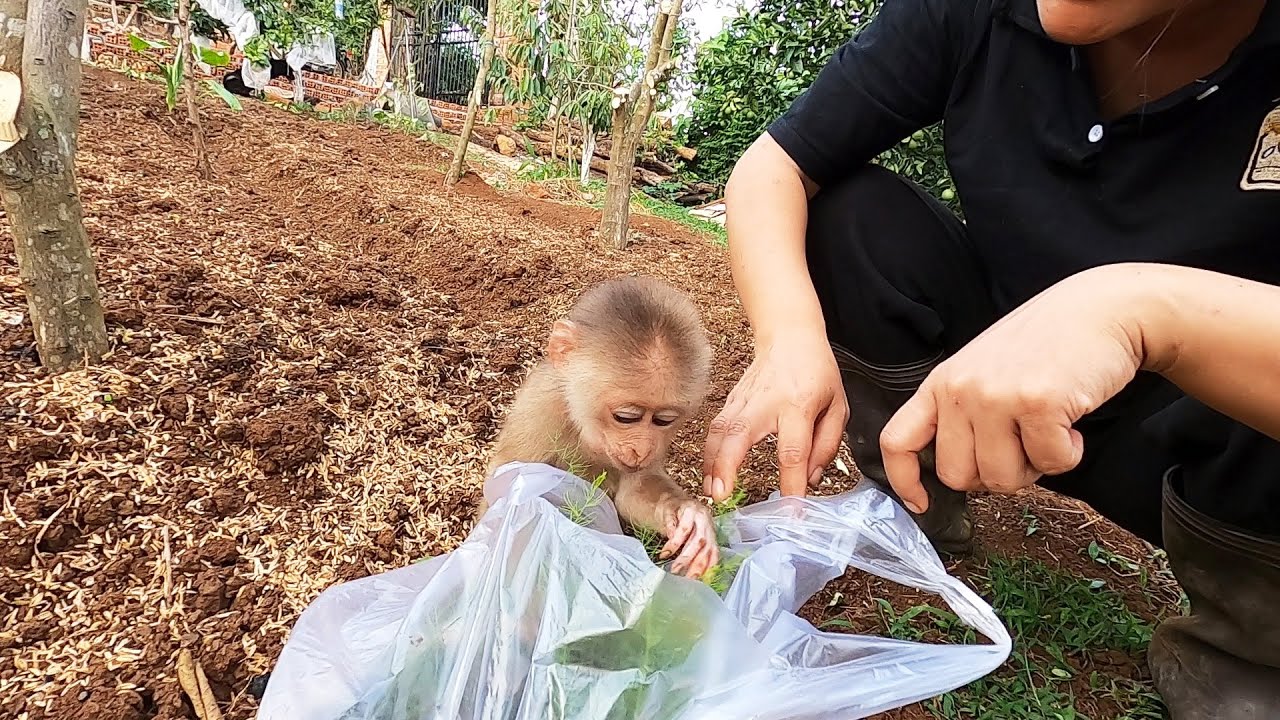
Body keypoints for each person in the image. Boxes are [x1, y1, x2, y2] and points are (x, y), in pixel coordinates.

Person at [700, 0, 1280, 715]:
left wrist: (1141, 310)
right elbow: (773, 168)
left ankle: (1247, 649)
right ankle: (914, 504)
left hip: (1209, 456)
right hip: (974, 399)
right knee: (846, 212)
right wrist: (788, 339)